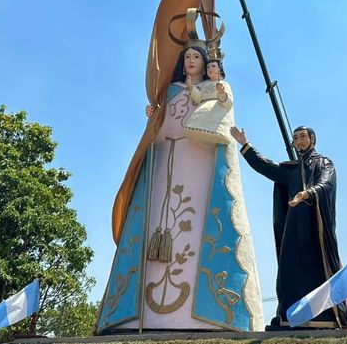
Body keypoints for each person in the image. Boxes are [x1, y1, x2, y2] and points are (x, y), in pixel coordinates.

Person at [97, 27, 263, 333]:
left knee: (197, 225)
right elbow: (159, 126)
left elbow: (222, 112)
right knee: (157, 224)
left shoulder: (212, 89)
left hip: (200, 166)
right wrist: (153, 116)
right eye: (187, 57)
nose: (191, 61)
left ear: (205, 62)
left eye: (196, 57)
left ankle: (206, 315)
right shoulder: (171, 91)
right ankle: (138, 316)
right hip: (165, 164)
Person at [230, 125, 347, 329]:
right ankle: (290, 317)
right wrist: (245, 144)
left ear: (312, 139)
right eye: (296, 138)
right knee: (289, 270)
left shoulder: (324, 163)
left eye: (303, 137)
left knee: (317, 268)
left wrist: (307, 193)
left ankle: (324, 317)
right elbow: (266, 166)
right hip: (293, 229)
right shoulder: (290, 170)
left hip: (316, 229)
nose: (299, 141)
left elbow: (326, 184)